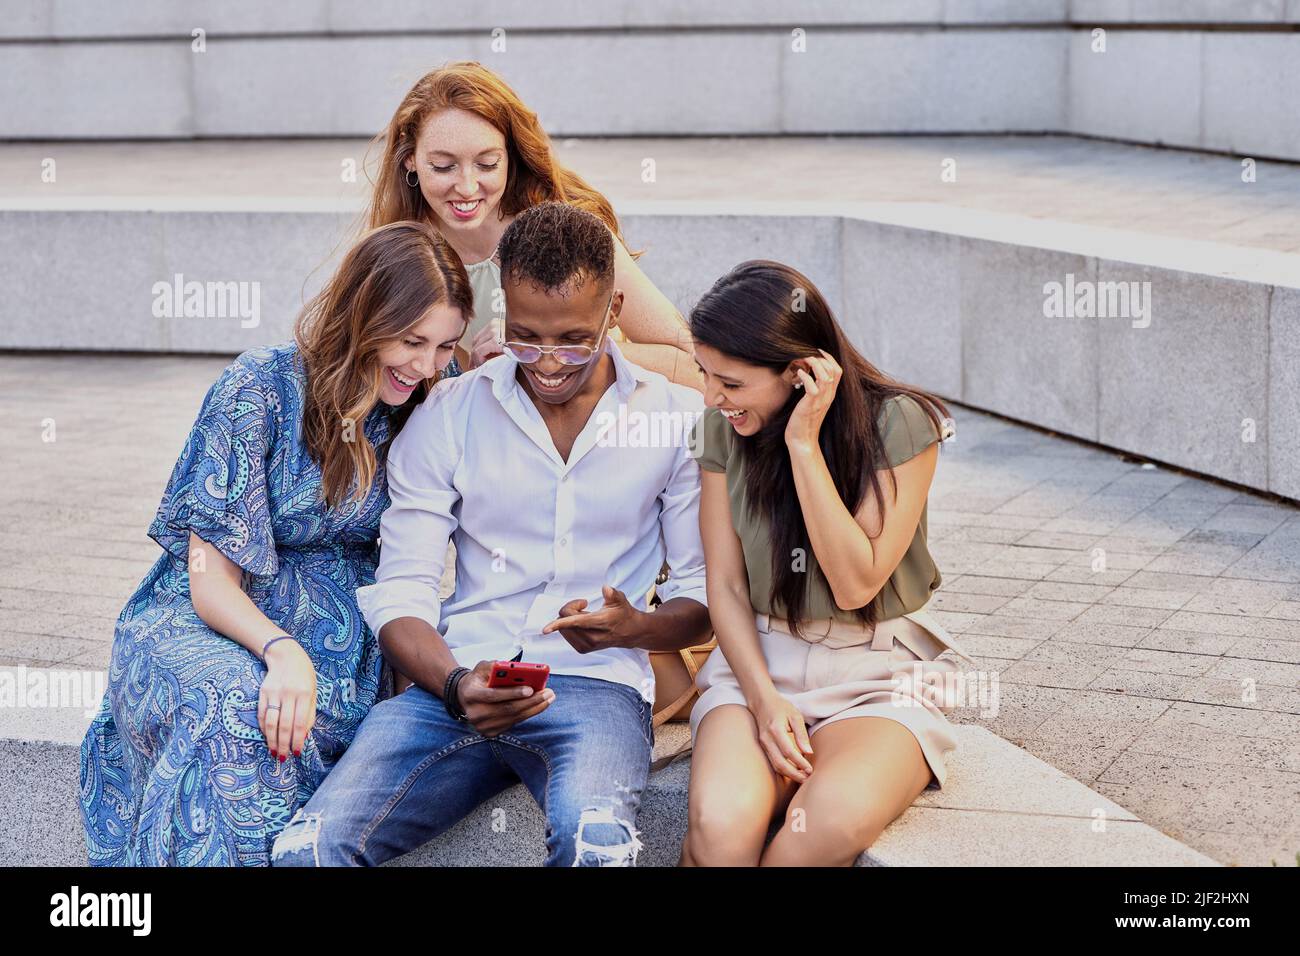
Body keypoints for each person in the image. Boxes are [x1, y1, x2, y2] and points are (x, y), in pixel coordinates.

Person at [271, 201, 711, 867]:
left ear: (614, 310)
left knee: (598, 853)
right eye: (528, 337)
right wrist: (453, 686)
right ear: (502, 305)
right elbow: (404, 591)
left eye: (574, 339)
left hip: (599, 690)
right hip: (456, 678)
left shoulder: (676, 419)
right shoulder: (450, 413)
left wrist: (635, 629)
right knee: (306, 852)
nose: (550, 363)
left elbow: (701, 598)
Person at [78, 222, 472, 866]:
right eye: (411, 341)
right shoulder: (262, 386)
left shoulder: (428, 405)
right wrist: (282, 651)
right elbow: (208, 577)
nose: (427, 365)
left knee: (278, 716)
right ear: (364, 317)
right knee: (233, 704)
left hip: (343, 644)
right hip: (214, 618)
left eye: (444, 346)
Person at [679, 260, 977, 867]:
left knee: (812, 839)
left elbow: (856, 582)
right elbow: (727, 586)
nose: (713, 397)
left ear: (800, 373)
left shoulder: (900, 423)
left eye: (731, 383)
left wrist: (802, 444)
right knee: (721, 829)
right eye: (705, 375)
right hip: (758, 665)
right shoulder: (720, 430)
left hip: (875, 676)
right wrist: (764, 702)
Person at [364, 59, 699, 386]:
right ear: (410, 159)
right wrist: (474, 376)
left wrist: (555, 350)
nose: (466, 187)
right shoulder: (403, 251)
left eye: (487, 164)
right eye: (442, 166)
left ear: (512, 156)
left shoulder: (567, 233)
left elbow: (693, 365)